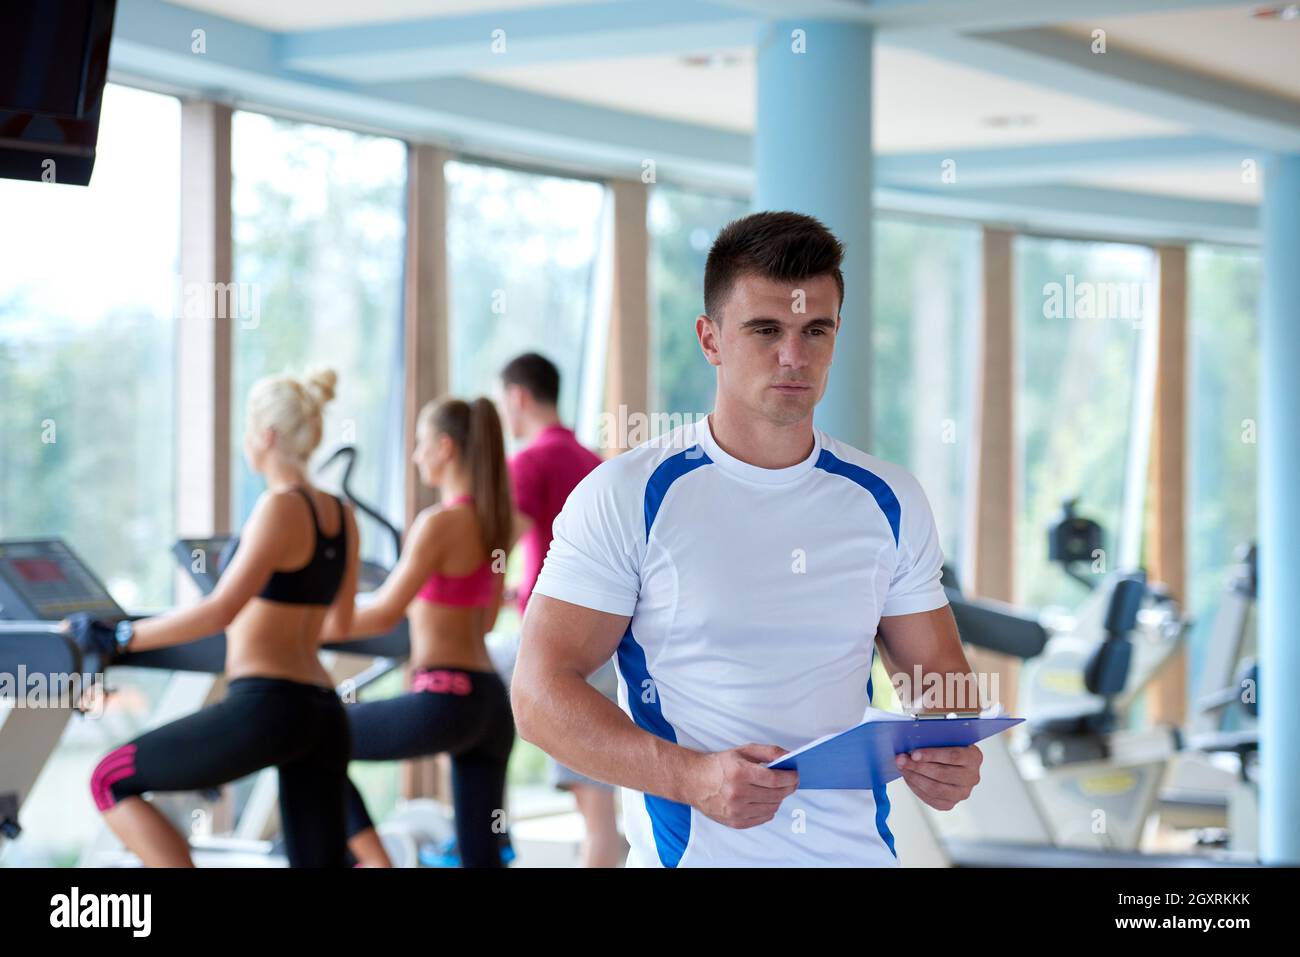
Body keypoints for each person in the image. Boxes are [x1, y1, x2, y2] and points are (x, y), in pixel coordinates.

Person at [511, 211, 983, 867]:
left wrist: (950, 747)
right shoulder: (628, 495)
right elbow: (537, 695)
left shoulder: (889, 497)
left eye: (815, 330)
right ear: (710, 339)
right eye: (766, 330)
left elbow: (940, 682)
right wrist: (689, 777)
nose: (794, 355)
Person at [69, 369, 360, 868]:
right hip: (322, 712)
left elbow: (221, 610)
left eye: (248, 429)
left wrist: (118, 636)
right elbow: (340, 624)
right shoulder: (340, 514)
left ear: (265, 436)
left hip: (267, 708)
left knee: (109, 779)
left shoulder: (277, 507)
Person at [325, 397, 516, 869]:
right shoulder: (496, 522)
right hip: (490, 704)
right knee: (481, 859)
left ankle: (377, 862)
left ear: (445, 447)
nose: (414, 456)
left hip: (445, 698)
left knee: (312, 737)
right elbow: (487, 621)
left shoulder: (437, 524)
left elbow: (382, 614)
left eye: (419, 444)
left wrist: (300, 629)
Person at [498, 352, 623, 867]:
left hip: (565, 645)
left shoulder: (529, 461)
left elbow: (494, 548)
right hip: (608, 638)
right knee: (594, 803)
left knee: (596, 808)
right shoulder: (591, 460)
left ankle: (485, 834)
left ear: (517, 397)